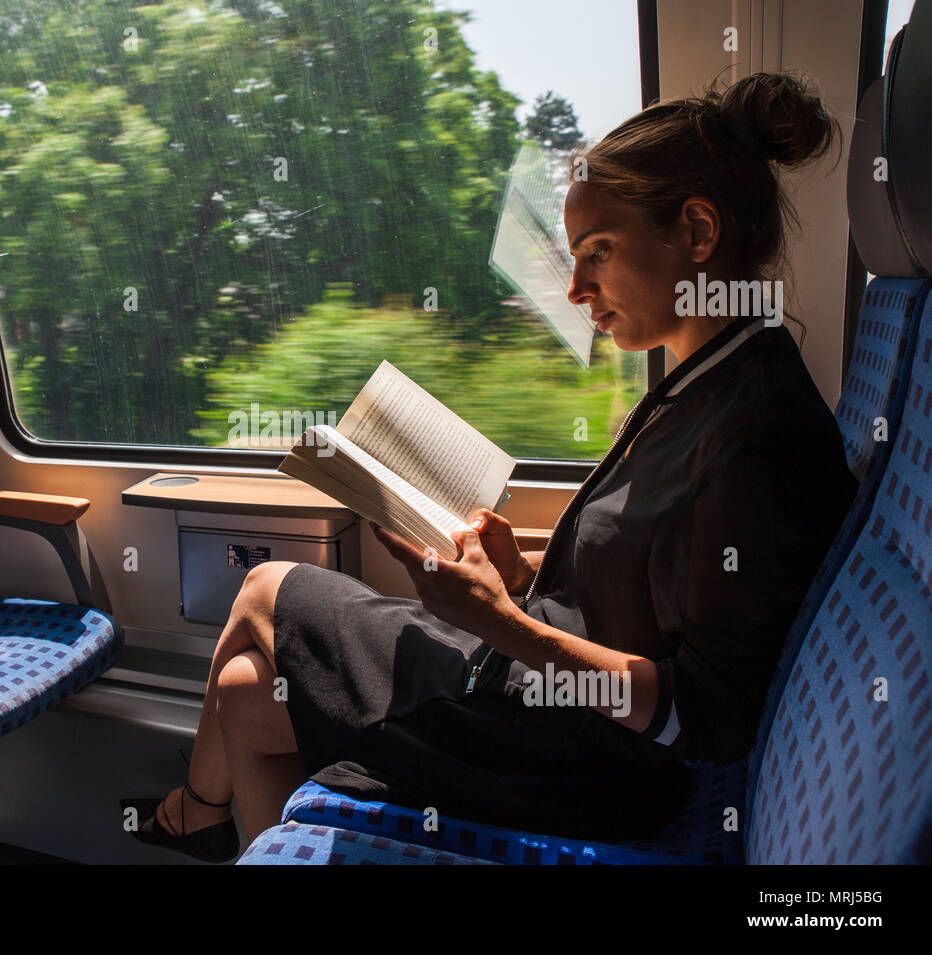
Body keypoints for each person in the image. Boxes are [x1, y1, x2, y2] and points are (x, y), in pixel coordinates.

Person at [120, 71, 859, 863]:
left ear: (698, 232)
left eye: (598, 254)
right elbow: (652, 568)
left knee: (264, 587)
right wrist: (523, 565)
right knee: (243, 696)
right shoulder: (706, 377)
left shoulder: (757, 432)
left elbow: (704, 713)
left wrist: (498, 619)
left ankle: (189, 815)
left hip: (580, 756)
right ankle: (198, 816)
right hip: (546, 699)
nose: (576, 290)